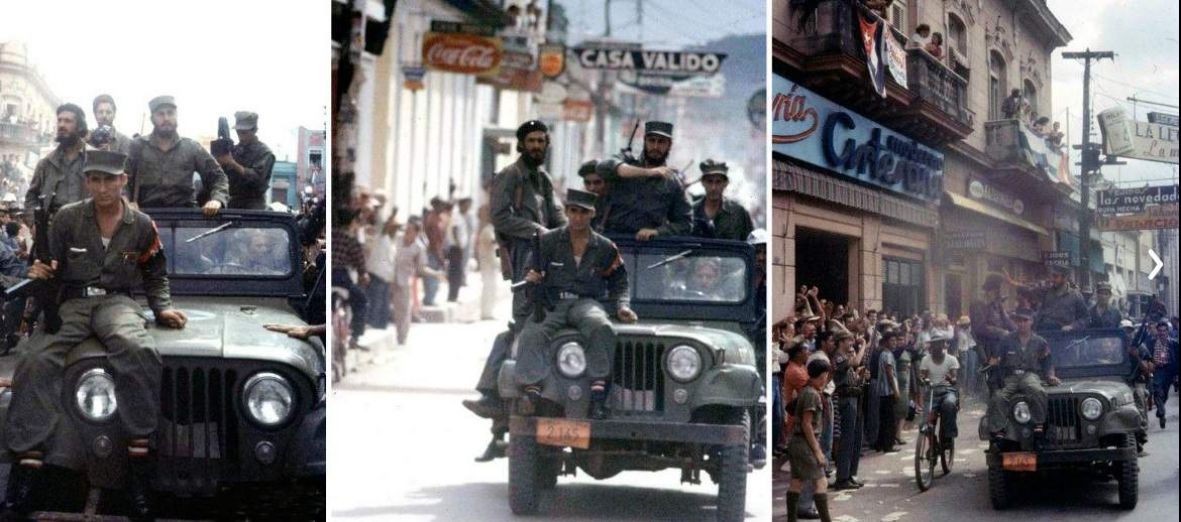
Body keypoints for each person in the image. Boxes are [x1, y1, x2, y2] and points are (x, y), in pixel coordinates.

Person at [2, 151, 187, 520]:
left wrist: (162, 306)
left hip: (118, 302)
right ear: (87, 182)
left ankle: (138, 465)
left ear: (123, 180)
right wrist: (37, 270)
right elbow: (46, 263)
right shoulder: (68, 218)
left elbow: (155, 271)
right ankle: (27, 466)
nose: (103, 187)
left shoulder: (141, 224)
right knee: (35, 358)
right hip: (73, 302)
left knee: (138, 349)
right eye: (95, 179)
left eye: (110, 179)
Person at [463, 121, 566, 447]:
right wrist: (535, 229)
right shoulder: (511, 175)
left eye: (541, 141)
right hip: (525, 260)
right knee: (522, 324)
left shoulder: (542, 180)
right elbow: (500, 216)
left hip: (548, 260)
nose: (537, 146)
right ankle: (494, 391)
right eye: (531, 141)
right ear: (521, 144)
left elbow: (559, 217)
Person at [514, 189, 636, 419]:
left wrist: (622, 306)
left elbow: (620, 280)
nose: (578, 217)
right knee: (532, 332)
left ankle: (598, 395)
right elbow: (530, 272)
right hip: (553, 302)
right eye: (573, 211)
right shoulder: (547, 241)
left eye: (584, 212)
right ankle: (531, 391)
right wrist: (532, 279)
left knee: (601, 327)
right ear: (567, 211)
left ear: (593, 214)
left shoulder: (605, 247)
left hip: (586, 302)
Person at [127, 96, 227, 216]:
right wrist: (126, 201)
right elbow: (121, 179)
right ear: (152, 118)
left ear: (176, 116)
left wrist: (217, 199)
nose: (166, 118)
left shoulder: (191, 147)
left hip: (185, 218)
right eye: (161, 114)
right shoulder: (137, 146)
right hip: (146, 216)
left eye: (170, 113)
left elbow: (218, 177)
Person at [594, 121, 692, 240]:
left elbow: (685, 224)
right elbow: (602, 167)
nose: (655, 147)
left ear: (669, 145)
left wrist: (657, 232)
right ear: (645, 141)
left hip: (648, 248)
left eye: (661, 142)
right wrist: (647, 172)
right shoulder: (627, 162)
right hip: (613, 240)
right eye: (652, 140)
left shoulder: (672, 182)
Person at [987, 308, 1058, 440]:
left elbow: (1047, 361)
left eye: (1025, 320)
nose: (1022, 323)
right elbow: (997, 360)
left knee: (1037, 391)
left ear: (1031, 322)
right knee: (998, 397)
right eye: (1019, 321)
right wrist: (996, 376)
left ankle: (1039, 424)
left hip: (1030, 374)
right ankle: (999, 430)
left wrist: (1050, 376)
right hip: (1011, 376)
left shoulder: (1040, 341)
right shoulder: (1007, 340)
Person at [785, 358, 834, 522]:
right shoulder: (812, 394)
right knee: (821, 482)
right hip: (804, 444)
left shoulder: (806, 391)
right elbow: (807, 424)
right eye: (824, 376)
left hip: (796, 442)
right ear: (820, 376)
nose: (825, 379)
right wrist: (818, 451)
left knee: (796, 482)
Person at [26, 103, 91, 215]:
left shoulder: (93, 158)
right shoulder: (46, 163)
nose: (61, 125)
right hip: (53, 227)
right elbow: (31, 196)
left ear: (79, 126)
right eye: (59, 120)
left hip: (85, 226)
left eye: (67, 121)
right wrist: (33, 222)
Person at [392, 219, 444, 346]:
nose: (406, 233)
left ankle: (402, 338)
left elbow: (421, 267)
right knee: (392, 309)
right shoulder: (397, 239)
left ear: (416, 232)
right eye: (406, 230)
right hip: (390, 277)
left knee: (404, 310)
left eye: (410, 230)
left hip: (404, 280)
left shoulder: (418, 248)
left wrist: (435, 274)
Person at [215, 111, 274, 210]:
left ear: (254, 130)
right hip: (232, 201)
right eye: (238, 132)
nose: (240, 135)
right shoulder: (234, 150)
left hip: (254, 204)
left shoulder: (264, 152)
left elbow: (257, 179)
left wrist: (232, 163)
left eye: (244, 132)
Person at [831, 330, 865, 491]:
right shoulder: (838, 356)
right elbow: (855, 362)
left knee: (855, 439)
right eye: (847, 340)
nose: (851, 343)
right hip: (845, 399)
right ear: (840, 342)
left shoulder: (846, 357)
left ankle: (850, 474)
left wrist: (860, 377)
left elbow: (853, 373)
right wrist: (864, 346)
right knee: (847, 439)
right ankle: (843, 477)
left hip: (854, 397)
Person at [971, 274, 1016, 395]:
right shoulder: (979, 304)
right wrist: (1002, 332)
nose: (999, 292)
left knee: (1005, 379)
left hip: (1000, 346)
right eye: (998, 288)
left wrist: (1019, 331)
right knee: (994, 381)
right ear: (992, 289)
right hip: (987, 348)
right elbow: (979, 327)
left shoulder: (996, 304)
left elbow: (1006, 320)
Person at [331, 208, 369, 346]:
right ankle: (355, 337)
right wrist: (364, 276)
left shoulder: (331, 235)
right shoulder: (350, 240)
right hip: (341, 278)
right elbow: (361, 265)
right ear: (352, 222)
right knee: (361, 300)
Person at [690, 159, 753, 241]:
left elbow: (751, 245)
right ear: (703, 182)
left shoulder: (739, 213)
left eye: (718, 182)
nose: (713, 188)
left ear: (725, 183)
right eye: (710, 181)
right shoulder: (691, 212)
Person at [1010, 266, 1089, 331]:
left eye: (1056, 277)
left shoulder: (1075, 295)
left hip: (1065, 336)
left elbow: (1086, 318)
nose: (1052, 279)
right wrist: (1013, 282)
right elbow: (1029, 289)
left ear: (1065, 278)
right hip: (1045, 332)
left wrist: (1072, 326)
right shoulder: (1046, 291)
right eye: (1052, 276)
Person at [918, 331, 960, 443]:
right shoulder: (925, 360)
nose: (937, 346)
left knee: (949, 405)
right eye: (934, 344)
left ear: (943, 345)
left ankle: (948, 436)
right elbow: (923, 376)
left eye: (939, 343)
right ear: (931, 346)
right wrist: (922, 379)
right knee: (924, 423)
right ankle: (932, 442)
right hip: (931, 392)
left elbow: (954, 378)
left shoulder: (951, 359)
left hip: (947, 391)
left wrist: (951, 379)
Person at [872, 329, 901, 452]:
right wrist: (896, 391)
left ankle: (879, 444)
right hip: (888, 391)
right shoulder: (888, 354)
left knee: (884, 419)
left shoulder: (883, 353)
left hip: (882, 392)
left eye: (895, 340)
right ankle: (888, 445)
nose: (894, 343)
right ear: (886, 342)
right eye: (892, 340)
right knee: (889, 420)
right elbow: (890, 374)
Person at [1148, 321, 1179, 429]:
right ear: (1157, 331)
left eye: (1164, 331)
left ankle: (1160, 411)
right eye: (1160, 331)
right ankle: (1161, 412)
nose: (1162, 333)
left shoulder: (1173, 343)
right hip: (1157, 370)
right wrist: (1150, 363)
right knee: (1157, 391)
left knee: (1164, 393)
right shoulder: (1151, 343)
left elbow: (1177, 359)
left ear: (1167, 331)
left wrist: (1176, 373)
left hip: (1169, 370)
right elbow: (1147, 355)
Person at [476, 205, 500, 320]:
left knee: (492, 288)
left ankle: (488, 312)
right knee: (488, 288)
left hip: (491, 263)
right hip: (487, 264)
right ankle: (485, 313)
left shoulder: (490, 228)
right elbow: (492, 241)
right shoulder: (488, 229)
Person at [447, 198, 471, 303]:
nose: (468, 208)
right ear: (461, 205)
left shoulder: (462, 217)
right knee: (455, 273)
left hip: (459, 248)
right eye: (466, 205)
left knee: (458, 273)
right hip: (455, 248)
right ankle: (452, 296)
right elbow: (454, 230)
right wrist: (458, 244)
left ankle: (454, 296)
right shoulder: (456, 216)